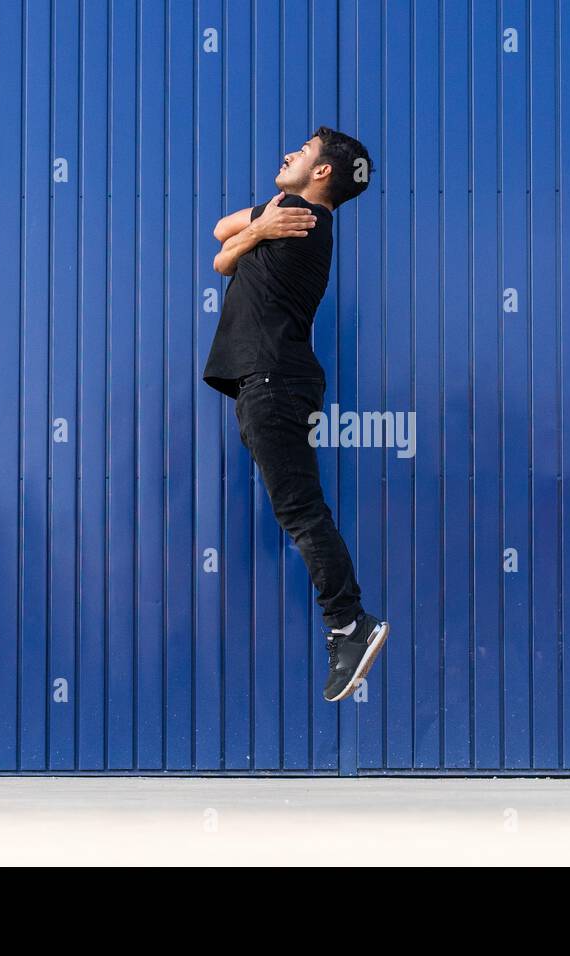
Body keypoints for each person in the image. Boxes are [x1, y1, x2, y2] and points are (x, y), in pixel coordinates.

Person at [203, 126, 386, 703]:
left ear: (323, 172)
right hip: (270, 380)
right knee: (298, 510)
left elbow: (221, 247)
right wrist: (254, 233)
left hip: (273, 380)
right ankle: (347, 621)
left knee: (301, 512)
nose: (287, 154)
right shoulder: (284, 215)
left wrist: (249, 235)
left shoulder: (298, 214)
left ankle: (349, 623)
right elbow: (222, 248)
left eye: (302, 151)